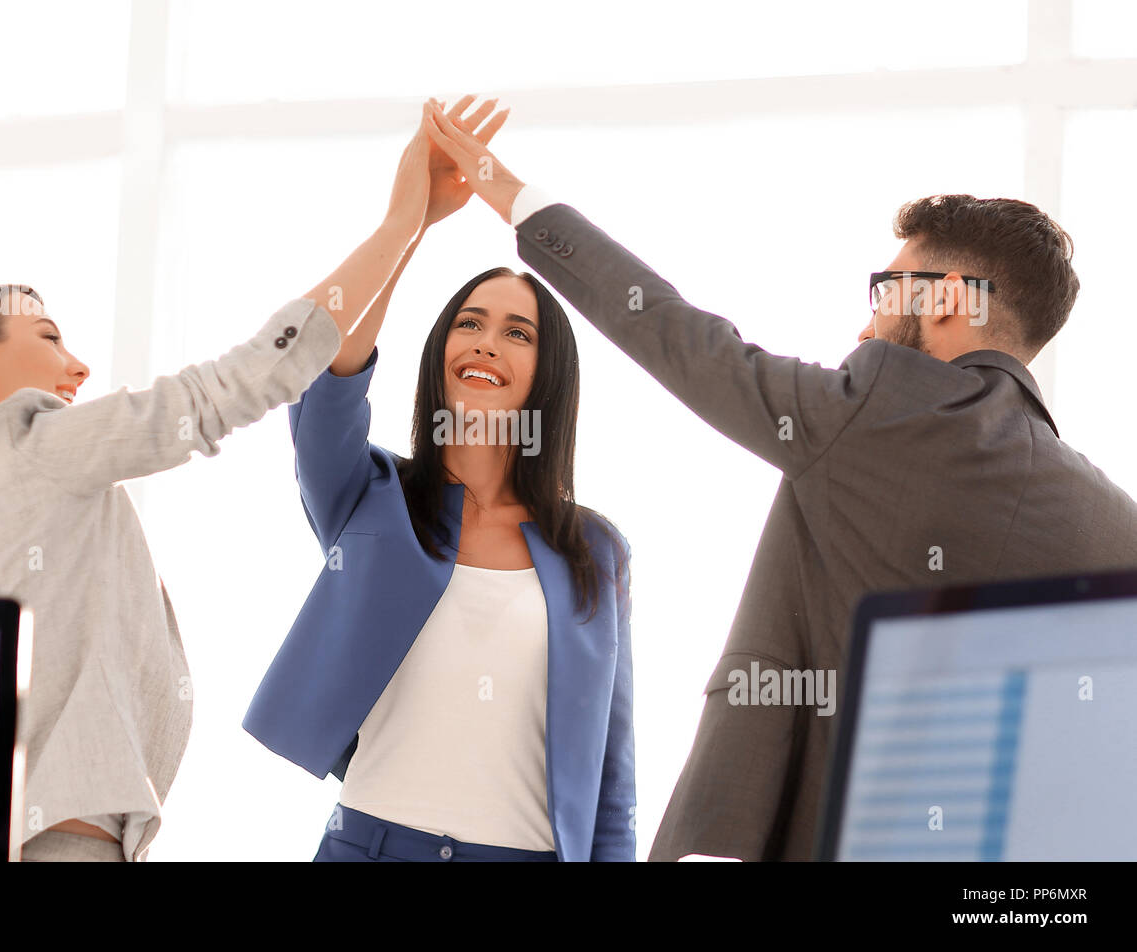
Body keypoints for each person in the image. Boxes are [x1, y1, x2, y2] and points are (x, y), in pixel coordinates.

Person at [420, 97, 1137, 861]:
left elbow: (677, 333)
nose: (866, 323)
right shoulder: (1110, 520)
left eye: (886, 288)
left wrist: (508, 194)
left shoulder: (876, 417)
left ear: (947, 296)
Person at [0, 107, 437, 861]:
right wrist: (401, 225)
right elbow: (231, 386)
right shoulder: (33, 443)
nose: (77, 367)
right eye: (48, 338)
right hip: (61, 838)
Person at [242, 97, 635, 862]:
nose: (487, 342)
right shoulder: (371, 498)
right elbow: (327, 376)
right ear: (440, 352)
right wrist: (405, 226)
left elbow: (612, 780)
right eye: (469, 322)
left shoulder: (597, 549)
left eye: (517, 332)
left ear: (545, 375)